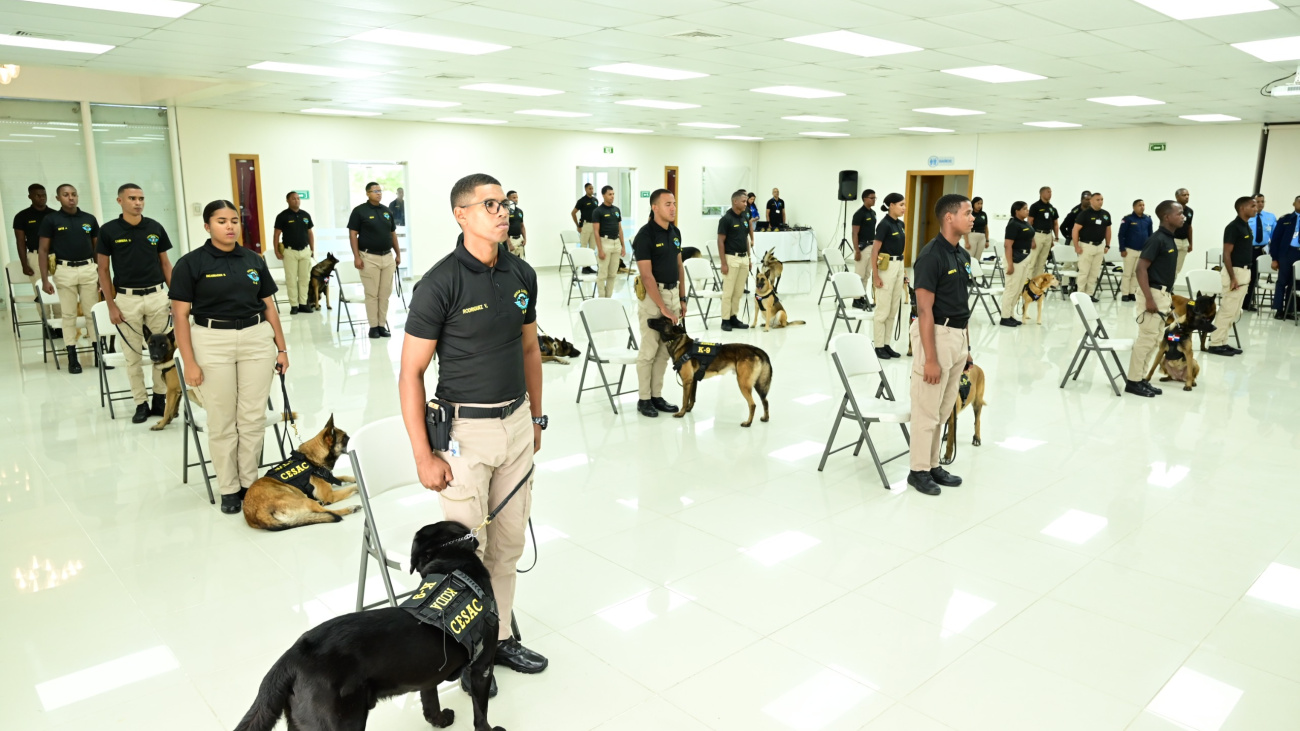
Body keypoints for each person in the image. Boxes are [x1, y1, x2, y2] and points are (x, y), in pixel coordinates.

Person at [399, 173, 548, 696]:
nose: (503, 211)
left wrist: (536, 419)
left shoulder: (521, 272)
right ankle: (466, 653)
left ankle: (498, 638)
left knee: (507, 545)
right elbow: (411, 373)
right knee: (467, 550)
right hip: (464, 431)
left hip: (516, 424)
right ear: (461, 215)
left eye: (504, 203)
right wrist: (423, 455)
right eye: (489, 204)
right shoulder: (440, 283)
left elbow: (530, 349)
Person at [169, 200, 288, 514]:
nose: (230, 226)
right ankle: (229, 488)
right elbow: (180, 316)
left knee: (252, 417)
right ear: (207, 226)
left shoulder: (253, 259)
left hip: (256, 339)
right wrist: (189, 362)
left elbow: (269, 306)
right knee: (222, 421)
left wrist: (282, 348)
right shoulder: (190, 263)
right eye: (221, 221)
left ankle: (249, 482)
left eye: (234, 220)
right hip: (211, 341)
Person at [907, 194, 974, 496]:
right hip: (934, 335)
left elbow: (962, 303)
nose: (972, 218)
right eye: (967, 213)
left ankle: (933, 464)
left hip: (957, 336)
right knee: (926, 409)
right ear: (949, 217)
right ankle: (918, 470)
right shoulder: (931, 256)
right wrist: (930, 359)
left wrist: (967, 347)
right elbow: (924, 311)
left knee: (944, 409)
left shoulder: (962, 255)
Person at [96, 183, 174, 422]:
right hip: (126, 299)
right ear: (120, 201)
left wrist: (175, 296)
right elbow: (103, 269)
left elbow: (165, 263)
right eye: (132, 198)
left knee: (162, 352)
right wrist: (111, 305)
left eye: (141, 198)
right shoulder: (108, 231)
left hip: (157, 296)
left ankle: (159, 399)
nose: (138, 202)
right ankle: (141, 403)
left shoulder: (155, 227)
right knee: (133, 357)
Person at [38, 183, 100, 374]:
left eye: (74, 194)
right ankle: (73, 358)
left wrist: (101, 274)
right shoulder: (51, 220)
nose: (71, 197)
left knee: (92, 313)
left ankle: (98, 355)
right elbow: (43, 250)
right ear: (58, 198)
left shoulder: (89, 219)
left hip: (88, 268)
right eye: (65, 195)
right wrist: (45, 279)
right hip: (64, 271)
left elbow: (97, 248)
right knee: (69, 315)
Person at [633, 189, 684, 418]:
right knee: (649, 349)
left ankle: (656, 395)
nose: (673, 208)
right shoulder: (645, 236)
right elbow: (646, 276)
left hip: (673, 294)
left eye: (674, 203)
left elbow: (679, 266)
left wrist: (682, 298)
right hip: (653, 297)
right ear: (655, 207)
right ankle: (644, 399)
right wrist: (662, 307)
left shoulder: (675, 232)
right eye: (667, 204)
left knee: (664, 351)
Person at [1125, 200, 1184, 397]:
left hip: (1162, 294)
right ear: (1167, 217)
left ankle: (1142, 378)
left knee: (1155, 340)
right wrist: (1149, 299)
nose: (1183, 217)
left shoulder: (1169, 239)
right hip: (1152, 294)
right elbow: (1141, 269)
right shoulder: (1157, 239)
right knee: (1146, 339)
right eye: (1179, 213)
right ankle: (1133, 381)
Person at [347, 182, 401, 339]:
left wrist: (398, 254)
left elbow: (392, 234)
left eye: (380, 191)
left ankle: (382, 325)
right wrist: (356, 256)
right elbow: (353, 234)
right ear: (367, 193)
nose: (378, 193)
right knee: (372, 294)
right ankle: (373, 327)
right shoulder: (359, 211)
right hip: (368, 257)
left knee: (384, 294)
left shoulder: (386, 211)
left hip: (387, 257)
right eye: (375, 191)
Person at [1207, 196, 1256, 357]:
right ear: (1242, 208)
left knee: (1234, 311)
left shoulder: (1246, 226)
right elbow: (1226, 254)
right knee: (1227, 310)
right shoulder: (1233, 227)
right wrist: (1233, 277)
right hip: (1234, 272)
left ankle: (1223, 342)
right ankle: (1215, 343)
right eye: (1252, 206)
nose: (1256, 208)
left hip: (1244, 271)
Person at [870, 192, 907, 360]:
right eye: (901, 205)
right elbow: (874, 251)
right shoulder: (884, 225)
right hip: (886, 267)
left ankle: (886, 344)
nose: (904, 208)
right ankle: (878, 346)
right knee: (883, 310)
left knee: (893, 309)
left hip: (899, 265)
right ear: (891, 205)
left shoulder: (900, 224)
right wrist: (875, 276)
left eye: (904, 205)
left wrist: (903, 272)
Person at [273, 191, 315, 314]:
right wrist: (276, 251)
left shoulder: (306, 215)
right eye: (293, 198)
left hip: (305, 251)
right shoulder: (282, 216)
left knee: (304, 279)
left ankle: (303, 303)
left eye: (298, 198)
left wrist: (312, 249)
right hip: (289, 252)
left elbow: (310, 233)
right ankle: (294, 305)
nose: (296, 200)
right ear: (287, 200)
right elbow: (276, 234)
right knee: (291, 279)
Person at [718, 188, 753, 331]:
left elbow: (746, 238)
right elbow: (720, 241)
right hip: (731, 258)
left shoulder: (744, 217)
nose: (746, 204)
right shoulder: (726, 219)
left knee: (738, 292)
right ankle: (725, 320)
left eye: (746, 201)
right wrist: (723, 263)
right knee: (728, 292)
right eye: (743, 201)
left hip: (744, 258)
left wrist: (749, 258)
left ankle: (733, 317)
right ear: (735, 201)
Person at [999, 201, 1035, 327]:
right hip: (1015, 259)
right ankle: (1004, 317)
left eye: (1027, 208)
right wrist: (1010, 264)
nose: (1027, 211)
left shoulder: (1025, 223)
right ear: (1017, 211)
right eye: (1024, 209)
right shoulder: (1013, 224)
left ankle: (1011, 315)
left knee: (1019, 289)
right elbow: (1007, 245)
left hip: (1025, 257)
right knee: (1011, 289)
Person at [1071, 192, 1112, 302]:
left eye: (1102, 199)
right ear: (1091, 201)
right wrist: (1076, 246)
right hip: (1086, 246)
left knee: (1094, 272)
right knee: (1084, 272)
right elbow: (1075, 230)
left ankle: (1089, 294)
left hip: (1099, 246)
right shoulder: (1084, 214)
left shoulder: (1105, 214)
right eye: (1098, 200)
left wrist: (1107, 245)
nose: (1100, 202)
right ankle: (1080, 295)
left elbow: (1108, 230)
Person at [1269, 194, 1300, 320]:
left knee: (1296, 283)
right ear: (1294, 204)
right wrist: (1274, 258)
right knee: (1282, 281)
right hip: (1287, 253)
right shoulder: (1285, 219)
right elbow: (1275, 240)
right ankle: (1279, 310)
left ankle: (1290, 310)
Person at [1245, 193, 1276, 312]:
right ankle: (1244, 302)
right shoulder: (1247, 216)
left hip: (1263, 250)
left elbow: (1274, 236)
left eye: (1262, 201)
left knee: (1255, 277)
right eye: (1258, 201)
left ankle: (1248, 302)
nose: (1260, 204)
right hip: (1249, 249)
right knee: (1247, 276)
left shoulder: (1270, 217)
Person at [592, 185, 625, 298]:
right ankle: (602, 298)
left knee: (612, 274)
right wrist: (600, 250)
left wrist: (623, 246)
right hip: (604, 243)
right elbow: (596, 232)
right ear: (603, 195)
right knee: (602, 274)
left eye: (613, 194)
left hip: (616, 243)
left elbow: (620, 229)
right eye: (610, 194)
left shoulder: (616, 210)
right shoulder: (598, 211)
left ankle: (608, 298)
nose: (612, 196)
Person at [1118, 199, 1152, 302]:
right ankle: (1125, 293)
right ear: (1134, 207)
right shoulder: (1128, 219)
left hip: (1142, 251)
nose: (1142, 207)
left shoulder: (1148, 219)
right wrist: (1122, 249)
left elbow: (1150, 235)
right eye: (1139, 205)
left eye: (1143, 205)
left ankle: (1132, 292)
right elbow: (1121, 235)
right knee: (1127, 273)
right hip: (1129, 250)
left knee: (1136, 273)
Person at [850, 189, 877, 309]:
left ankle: (862, 297)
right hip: (862, 247)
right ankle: (856, 300)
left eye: (875, 198)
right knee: (859, 275)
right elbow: (854, 233)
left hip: (871, 246)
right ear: (865, 199)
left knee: (866, 274)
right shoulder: (859, 214)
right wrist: (857, 250)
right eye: (872, 198)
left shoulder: (873, 213)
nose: (874, 200)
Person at [1026, 186, 1060, 278]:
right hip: (1037, 234)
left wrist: (1056, 237)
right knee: (1032, 260)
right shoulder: (1035, 206)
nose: (1050, 194)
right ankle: (1028, 282)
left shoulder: (1052, 208)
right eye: (1048, 192)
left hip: (1048, 235)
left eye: (1051, 192)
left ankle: (1038, 282)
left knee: (1042, 262)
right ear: (1041, 193)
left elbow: (1055, 224)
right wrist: (1031, 239)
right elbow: (1029, 223)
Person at [571, 182, 598, 272]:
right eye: (590, 188)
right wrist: (578, 225)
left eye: (592, 188)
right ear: (586, 189)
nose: (591, 190)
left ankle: (588, 266)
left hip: (594, 225)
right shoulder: (581, 201)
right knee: (584, 246)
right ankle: (584, 267)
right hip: (585, 225)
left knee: (592, 247)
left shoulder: (595, 200)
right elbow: (573, 213)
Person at [1173, 188, 1194, 276]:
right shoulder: (1171, 209)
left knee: (1177, 269)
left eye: (1188, 195)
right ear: (1177, 197)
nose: (1187, 197)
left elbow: (1189, 227)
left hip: (1184, 242)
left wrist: (1191, 243)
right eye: (1184, 195)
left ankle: (1171, 284)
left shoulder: (1190, 211)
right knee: (1170, 267)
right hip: (1174, 240)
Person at [964, 197, 988, 261]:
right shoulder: (969, 213)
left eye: (981, 204)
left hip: (982, 237)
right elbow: (965, 228)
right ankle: (967, 268)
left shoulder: (983, 214)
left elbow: (986, 228)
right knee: (970, 257)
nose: (980, 205)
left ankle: (976, 267)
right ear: (973, 204)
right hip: (972, 235)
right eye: (978, 203)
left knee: (978, 258)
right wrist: (966, 242)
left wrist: (987, 240)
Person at [506, 189, 527, 259]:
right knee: (511, 261)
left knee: (520, 261)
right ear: (508, 199)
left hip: (519, 240)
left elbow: (522, 226)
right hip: (510, 240)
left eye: (517, 197)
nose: (516, 199)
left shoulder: (519, 211)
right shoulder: (505, 211)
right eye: (514, 198)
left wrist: (525, 239)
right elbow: (504, 229)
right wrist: (509, 244)